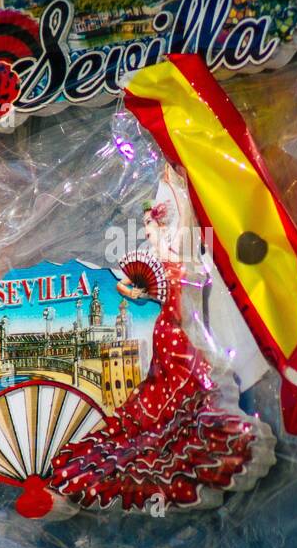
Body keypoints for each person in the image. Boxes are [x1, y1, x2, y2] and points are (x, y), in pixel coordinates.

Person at [49, 165, 274, 512]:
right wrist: (129, 287)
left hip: (181, 321)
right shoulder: (165, 257)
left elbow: (184, 225)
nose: (150, 235)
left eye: (152, 228)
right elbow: (141, 287)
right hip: (168, 327)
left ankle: (186, 428)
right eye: (149, 230)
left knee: (179, 381)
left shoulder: (180, 250)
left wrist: (177, 186)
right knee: (165, 385)